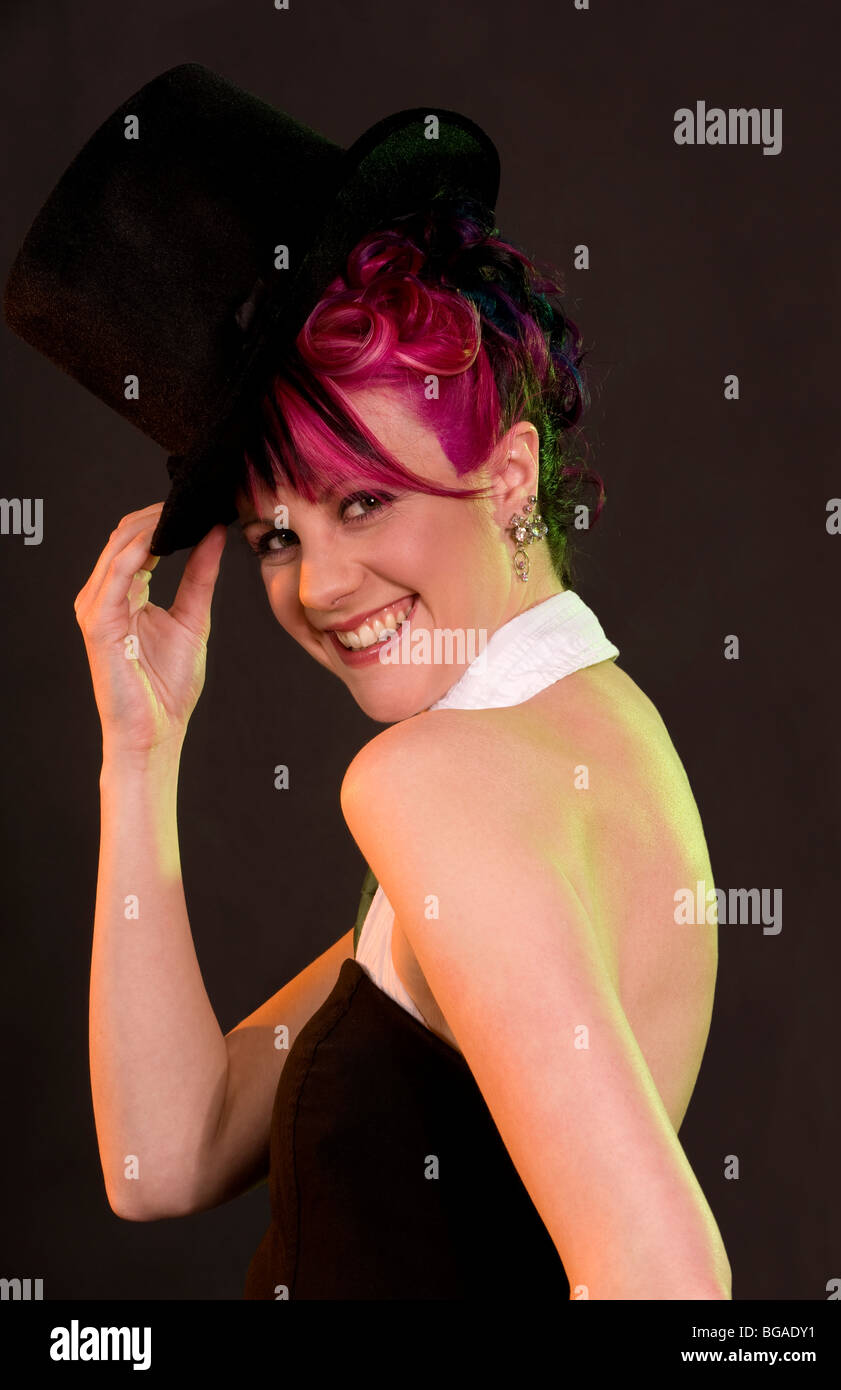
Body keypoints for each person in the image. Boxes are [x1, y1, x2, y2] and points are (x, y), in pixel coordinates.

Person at [72, 193, 732, 1300]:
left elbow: (662, 1279)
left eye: (365, 500)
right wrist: (140, 750)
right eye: (277, 534)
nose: (319, 585)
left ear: (510, 478)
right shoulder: (597, 737)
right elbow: (164, 1156)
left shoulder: (436, 781)